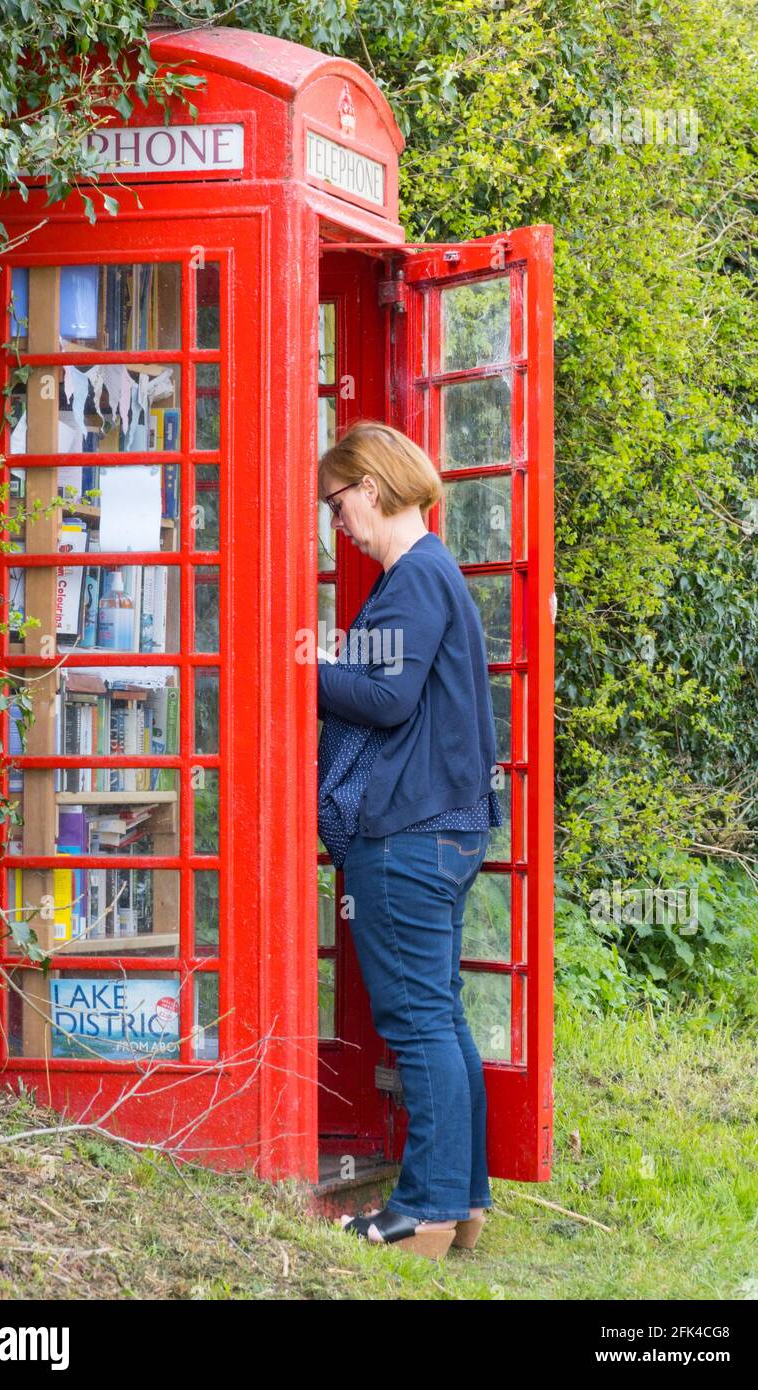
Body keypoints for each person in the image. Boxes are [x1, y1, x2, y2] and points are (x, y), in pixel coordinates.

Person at [317, 419, 503, 1260]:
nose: (336, 521)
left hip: (408, 834)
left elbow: (385, 700)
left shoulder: (416, 578)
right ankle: (462, 1201)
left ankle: (421, 1210)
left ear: (374, 488)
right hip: (442, 831)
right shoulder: (430, 577)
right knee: (442, 1018)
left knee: (420, 1020)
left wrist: (299, 665)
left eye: (338, 500)